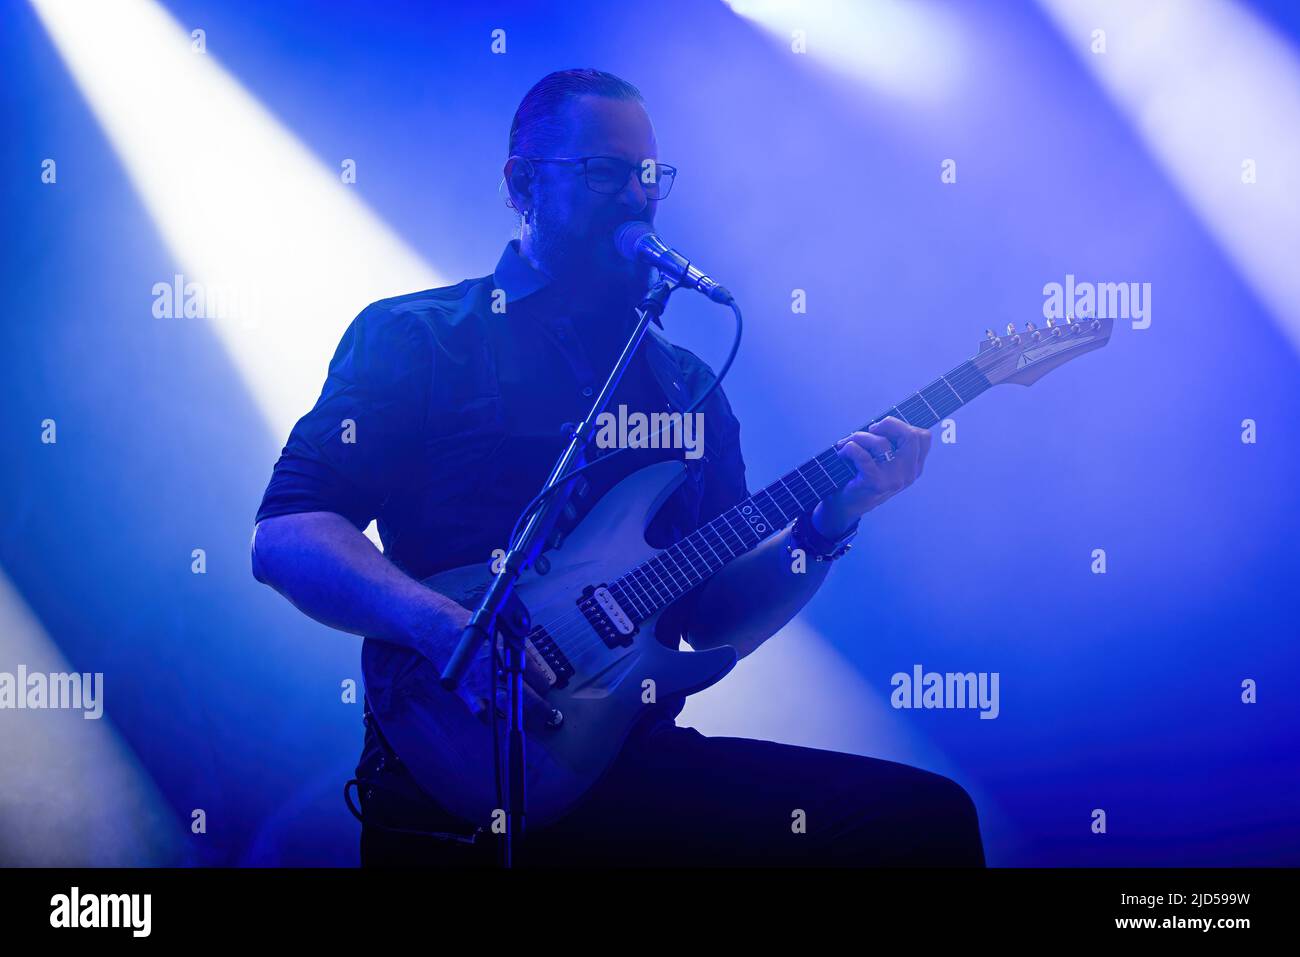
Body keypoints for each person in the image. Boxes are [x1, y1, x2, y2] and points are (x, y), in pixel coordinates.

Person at [250, 68, 984, 867]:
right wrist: (441, 627)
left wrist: (829, 521)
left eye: (648, 174)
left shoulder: (688, 386)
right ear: (522, 183)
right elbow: (287, 534)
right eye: (605, 171)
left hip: (629, 768)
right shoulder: (419, 339)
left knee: (921, 820)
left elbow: (710, 615)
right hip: (444, 773)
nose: (637, 194)